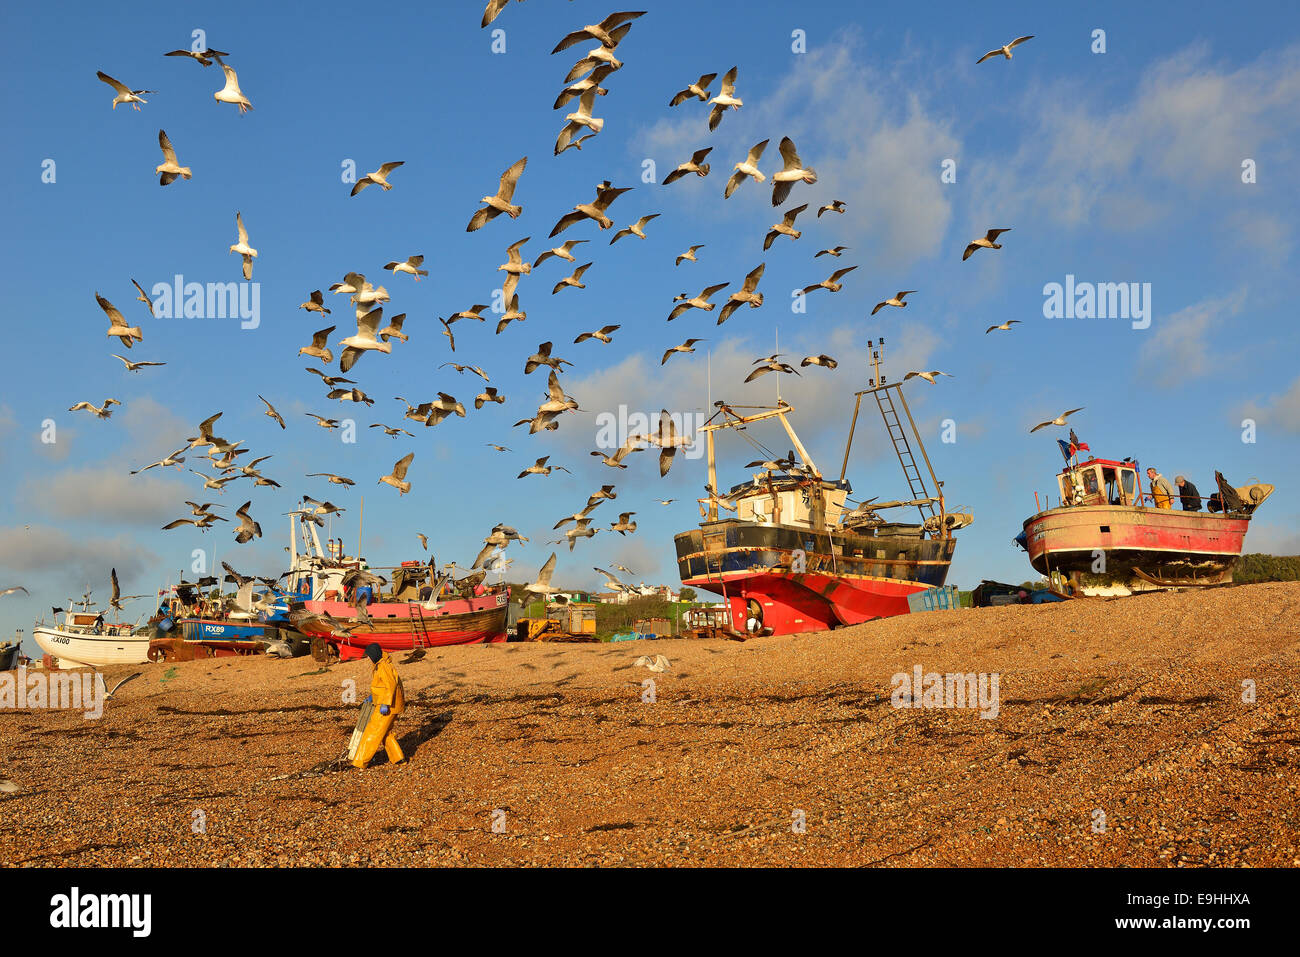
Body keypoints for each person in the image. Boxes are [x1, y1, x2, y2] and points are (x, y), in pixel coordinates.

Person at [351, 642, 406, 769]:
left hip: (388, 705)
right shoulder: (381, 664)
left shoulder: (383, 667)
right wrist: (372, 696)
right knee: (385, 732)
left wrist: (385, 703)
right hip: (388, 702)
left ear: (374, 655)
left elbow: (391, 685)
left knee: (373, 732)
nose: (368, 658)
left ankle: (360, 762)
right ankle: (398, 758)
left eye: (369, 656)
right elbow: (381, 685)